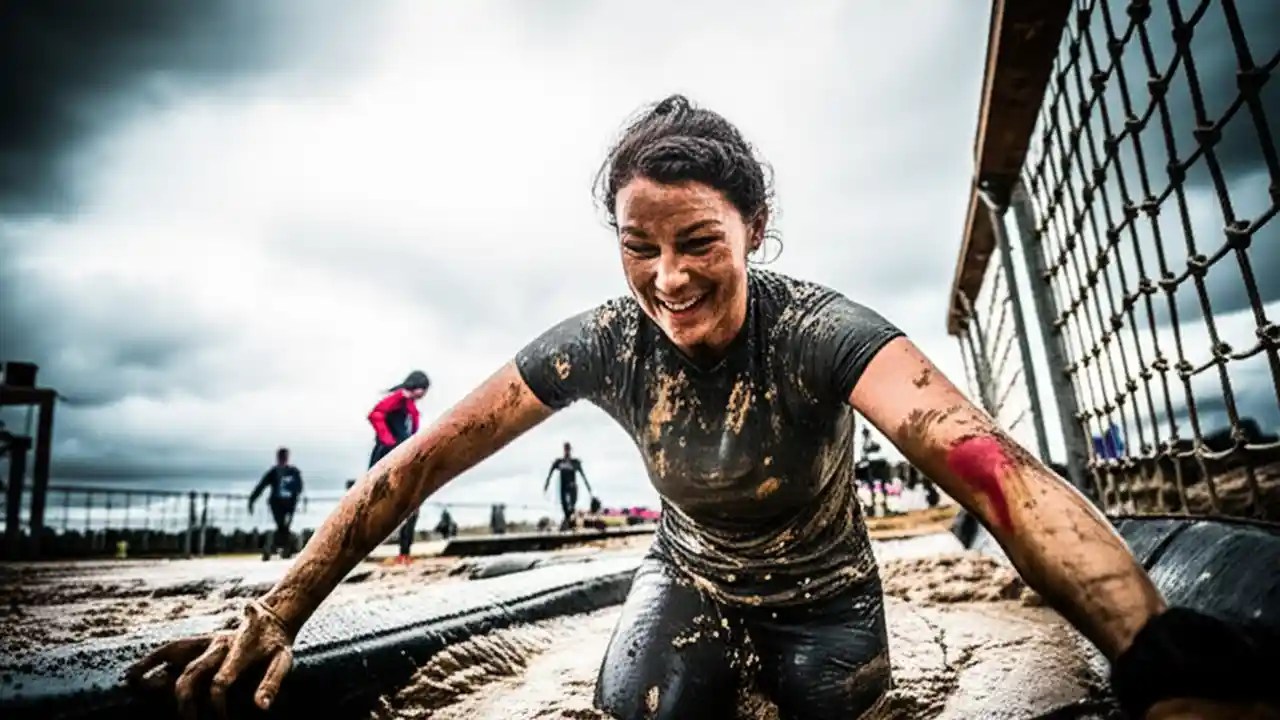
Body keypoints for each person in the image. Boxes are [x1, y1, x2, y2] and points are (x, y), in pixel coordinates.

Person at [128, 95, 1278, 720]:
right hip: (690, 577)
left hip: (825, 596)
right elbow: (411, 469)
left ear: (751, 233)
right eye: (640, 248)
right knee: (645, 709)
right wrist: (277, 613)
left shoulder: (820, 330)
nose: (668, 279)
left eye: (698, 246)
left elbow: (994, 469)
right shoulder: (600, 344)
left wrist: (1159, 657)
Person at [367, 370, 429, 564]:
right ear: (417, 386)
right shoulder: (399, 398)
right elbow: (375, 414)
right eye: (424, 389)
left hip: (403, 456)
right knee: (375, 500)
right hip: (387, 455)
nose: (425, 394)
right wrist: (389, 441)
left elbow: (411, 432)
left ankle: (404, 552)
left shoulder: (409, 405)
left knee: (412, 502)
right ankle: (362, 546)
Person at [249, 448, 304, 561]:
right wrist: (252, 500)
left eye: (284, 457)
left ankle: (285, 548)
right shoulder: (273, 472)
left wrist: (292, 489)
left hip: (289, 505)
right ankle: (279, 548)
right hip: (277, 504)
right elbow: (261, 486)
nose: (282, 460)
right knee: (281, 526)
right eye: (280, 457)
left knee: (285, 526)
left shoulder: (293, 472)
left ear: (287, 458)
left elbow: (299, 487)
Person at [544, 442, 595, 531]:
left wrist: (588, 488)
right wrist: (547, 484)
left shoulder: (575, 463)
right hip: (563, 487)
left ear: (570, 450)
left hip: (572, 487)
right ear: (564, 450)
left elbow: (583, 476)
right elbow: (551, 472)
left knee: (571, 505)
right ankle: (567, 524)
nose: (567, 451)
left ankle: (568, 523)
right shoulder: (559, 462)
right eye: (565, 449)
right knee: (564, 506)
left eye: (568, 449)